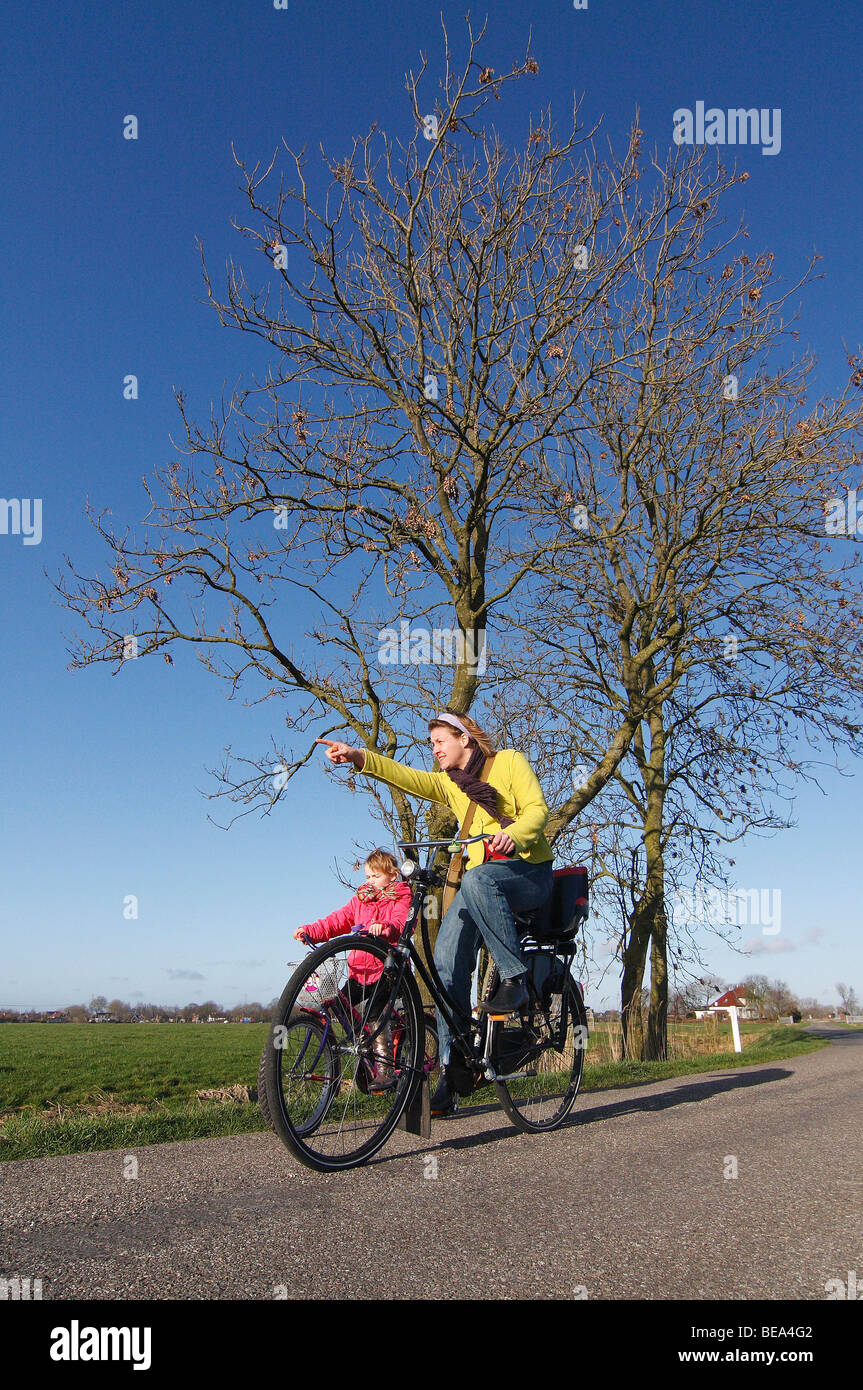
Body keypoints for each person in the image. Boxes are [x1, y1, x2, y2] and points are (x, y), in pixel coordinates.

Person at [315, 710, 554, 1116]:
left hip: (528, 873)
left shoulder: (509, 762)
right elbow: (408, 777)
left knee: (478, 880)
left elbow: (537, 811)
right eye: (432, 744)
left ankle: (517, 978)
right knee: (445, 966)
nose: (435, 749)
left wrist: (511, 834)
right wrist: (359, 756)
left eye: (441, 741)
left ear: (465, 739)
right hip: (482, 883)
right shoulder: (450, 784)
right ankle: (454, 1069)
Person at [295, 848, 412, 1091]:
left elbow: (401, 922)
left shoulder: (402, 896)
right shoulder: (361, 899)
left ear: (392, 874)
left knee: (374, 1013)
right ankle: (366, 1052)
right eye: (368, 876)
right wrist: (311, 930)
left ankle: (385, 1070)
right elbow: (338, 920)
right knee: (342, 1007)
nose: (369, 881)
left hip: (387, 968)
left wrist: (386, 927)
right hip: (360, 971)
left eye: (375, 876)